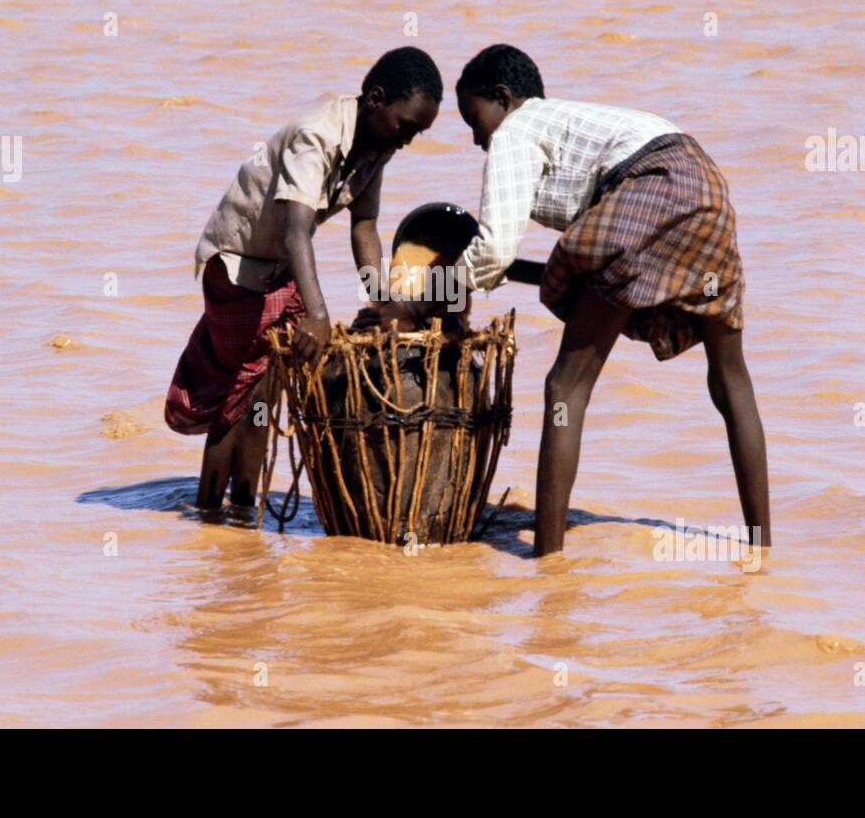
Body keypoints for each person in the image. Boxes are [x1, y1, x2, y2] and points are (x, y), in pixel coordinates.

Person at [452, 44, 770, 557]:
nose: (476, 139)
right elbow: (600, 274)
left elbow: (492, 246)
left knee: (565, 386)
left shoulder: (517, 128)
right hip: (705, 185)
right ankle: (763, 548)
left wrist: (437, 289)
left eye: (473, 119)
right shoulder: (583, 123)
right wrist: (498, 274)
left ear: (502, 97)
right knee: (730, 376)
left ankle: (547, 560)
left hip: (651, 186)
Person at [165, 47, 442, 510]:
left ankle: (243, 513)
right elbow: (296, 231)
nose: (408, 141)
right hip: (236, 265)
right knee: (236, 403)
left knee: (264, 399)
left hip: (278, 270)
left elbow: (365, 227)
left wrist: (381, 304)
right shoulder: (317, 135)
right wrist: (317, 314)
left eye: (419, 133)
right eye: (407, 126)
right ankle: (211, 515)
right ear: (374, 99)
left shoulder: (377, 147)